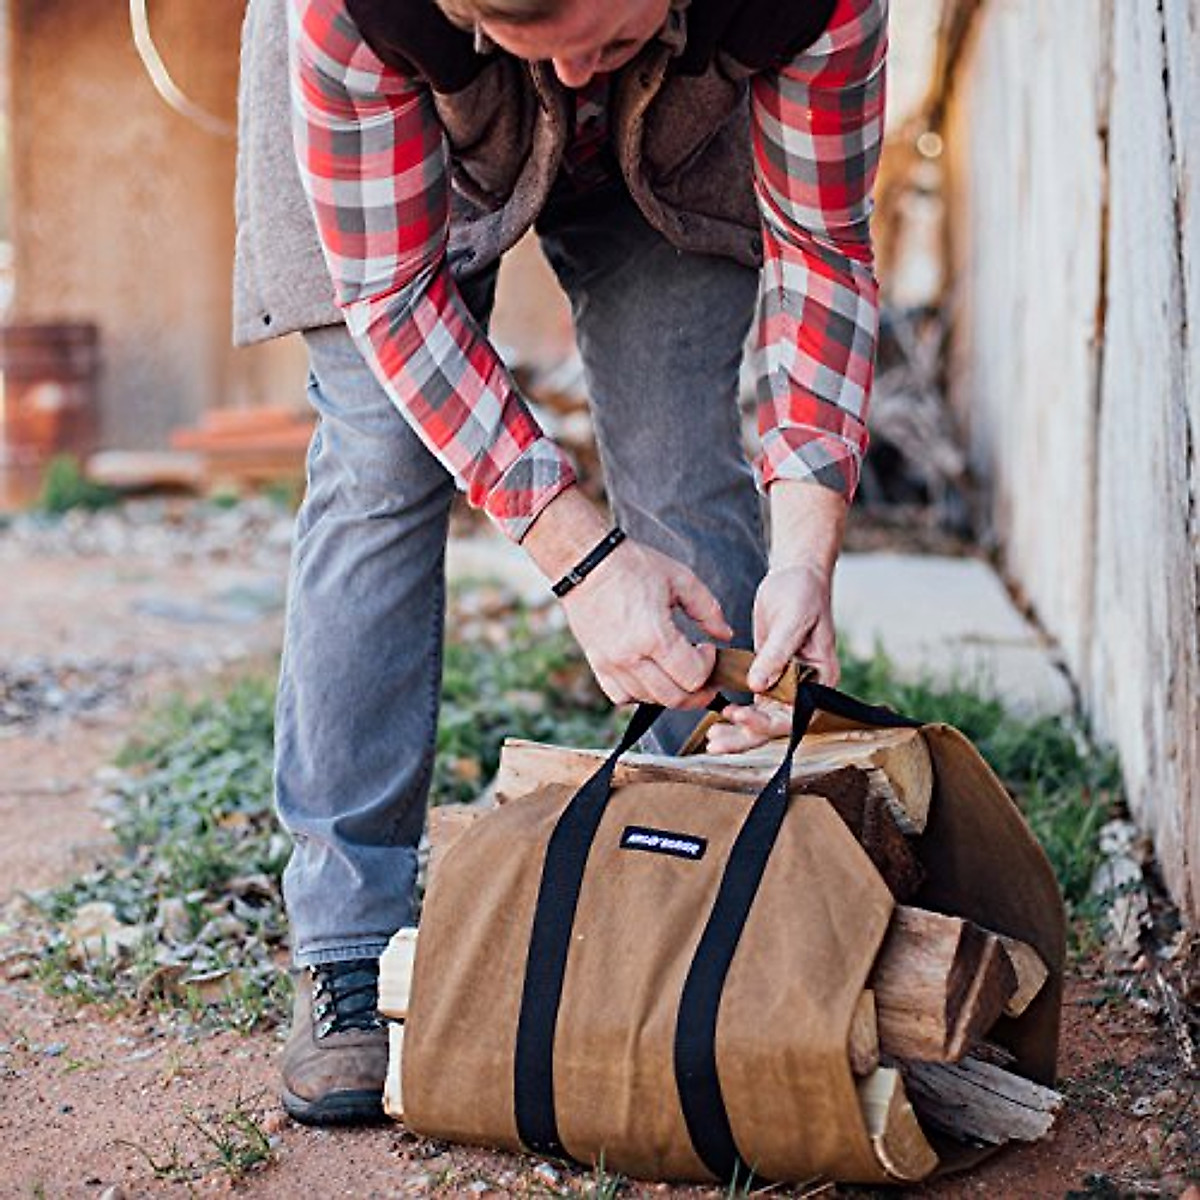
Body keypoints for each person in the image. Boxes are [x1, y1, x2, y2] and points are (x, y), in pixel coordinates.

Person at [234, 0, 887, 1124]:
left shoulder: (808, 4)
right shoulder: (354, 14)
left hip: (689, 115)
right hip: (413, 126)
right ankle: (346, 941)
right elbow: (392, 298)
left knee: (682, 455)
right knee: (380, 462)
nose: (577, 77)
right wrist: (583, 562)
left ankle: (736, 891)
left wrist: (806, 554)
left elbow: (820, 249)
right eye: (540, 47)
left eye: (604, 34)